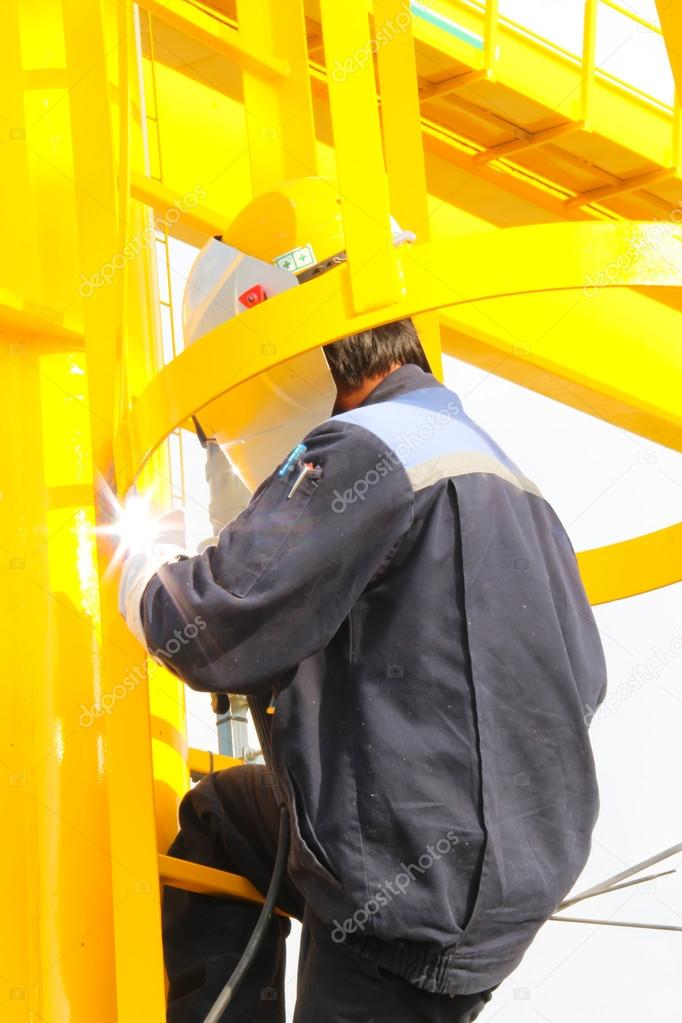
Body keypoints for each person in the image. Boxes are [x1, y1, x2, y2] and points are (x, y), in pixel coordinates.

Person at [120, 183, 608, 1023]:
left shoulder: (363, 452)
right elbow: (580, 678)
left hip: (415, 894)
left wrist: (138, 560)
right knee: (224, 820)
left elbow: (202, 630)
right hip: (495, 862)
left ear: (279, 342)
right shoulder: (492, 468)